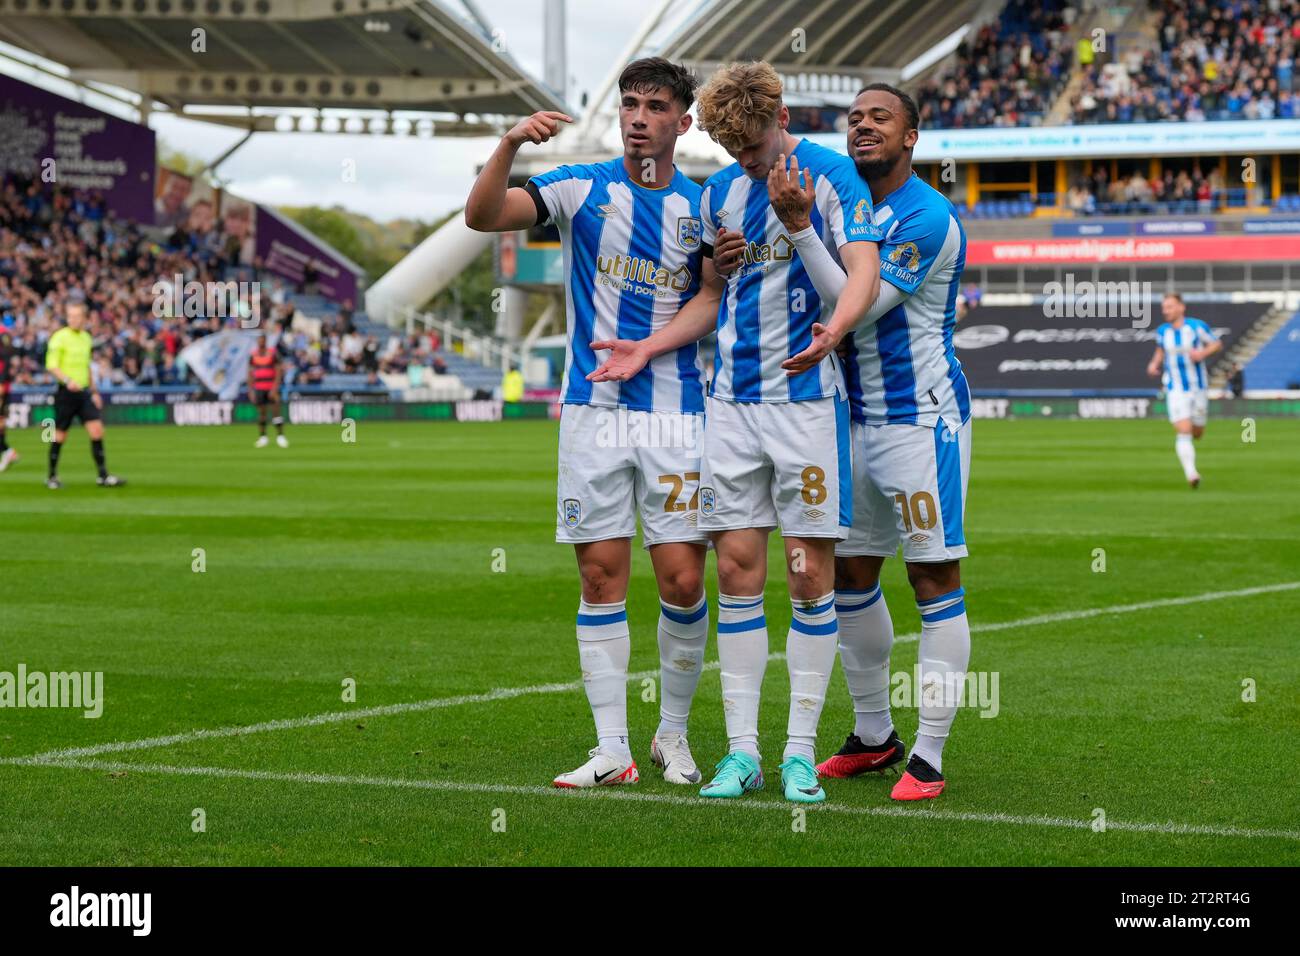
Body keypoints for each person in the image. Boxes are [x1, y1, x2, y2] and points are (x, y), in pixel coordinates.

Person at [590, 60, 882, 803]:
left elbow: (855, 281)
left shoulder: (832, 177)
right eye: (733, 151)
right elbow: (716, 293)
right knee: (736, 575)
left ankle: (797, 753)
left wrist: (800, 234)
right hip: (730, 407)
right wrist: (712, 279)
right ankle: (744, 753)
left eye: (752, 145)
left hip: (808, 404)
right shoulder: (718, 190)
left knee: (809, 577)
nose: (747, 161)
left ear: (778, 115)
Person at [466, 57, 717, 789]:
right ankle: (613, 750)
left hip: (676, 413)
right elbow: (482, 216)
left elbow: (710, 300)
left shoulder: (703, 206)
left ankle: (673, 733)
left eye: (656, 106)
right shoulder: (582, 187)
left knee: (680, 579)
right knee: (600, 577)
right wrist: (510, 145)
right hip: (592, 411)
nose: (639, 117)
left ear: (683, 122)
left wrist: (650, 347)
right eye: (630, 104)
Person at [762, 84, 974, 800]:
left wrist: (797, 230)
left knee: (931, 577)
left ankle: (933, 754)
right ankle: (876, 736)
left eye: (880, 118)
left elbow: (852, 301)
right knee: (851, 575)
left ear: (911, 137)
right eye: (854, 119)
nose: (862, 127)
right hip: (851, 420)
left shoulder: (925, 214)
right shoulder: (845, 198)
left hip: (921, 422)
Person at [45, 301, 125, 489]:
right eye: (70, 316)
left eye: (77, 316)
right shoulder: (59, 337)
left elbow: (87, 366)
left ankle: (103, 476)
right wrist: (67, 380)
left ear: (84, 318)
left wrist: (94, 391)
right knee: (59, 436)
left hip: (83, 393)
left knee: (97, 430)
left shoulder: (86, 338)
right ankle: (51, 476)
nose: (73, 319)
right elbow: (52, 365)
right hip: (65, 393)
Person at [1147, 293, 1221, 488]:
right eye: (1164, 308)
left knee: (1197, 432)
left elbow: (1216, 343)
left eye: (1170, 307)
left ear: (1181, 307)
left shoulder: (1196, 327)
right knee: (1184, 429)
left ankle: (1191, 465)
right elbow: (1160, 350)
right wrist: (1154, 364)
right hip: (1175, 387)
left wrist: (1202, 353)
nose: (1166, 311)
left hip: (1198, 387)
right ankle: (1191, 473)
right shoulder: (1163, 331)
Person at [248, 332, 288, 448]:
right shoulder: (253, 355)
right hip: (259, 388)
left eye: (263, 340)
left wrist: (274, 388)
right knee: (262, 413)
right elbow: (250, 373)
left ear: (265, 341)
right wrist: (251, 390)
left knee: (276, 412)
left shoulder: (272, 353)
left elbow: (278, 371)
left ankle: (280, 436)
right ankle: (263, 437)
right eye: (259, 340)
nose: (261, 342)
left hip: (271, 388)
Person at [0, 329, 17, 472]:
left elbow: (7, 357)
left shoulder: (3, 332)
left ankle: (7, 451)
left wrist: (1, 382)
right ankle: (7, 451)